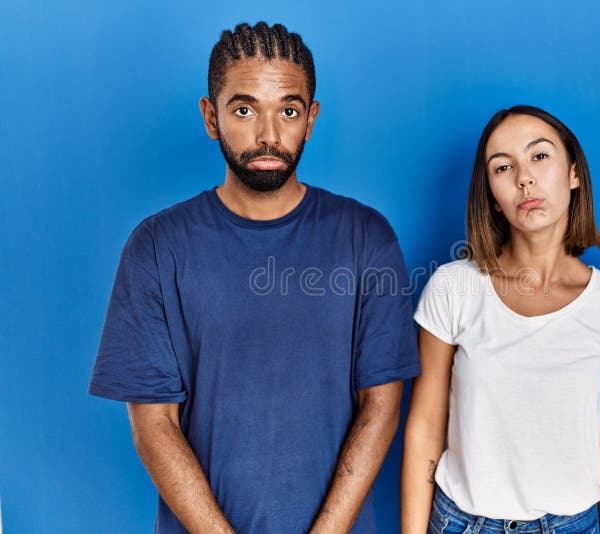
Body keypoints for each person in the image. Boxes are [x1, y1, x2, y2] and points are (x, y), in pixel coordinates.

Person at [88, 22, 420, 533]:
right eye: (245, 110)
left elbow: (381, 405)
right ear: (211, 117)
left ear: (310, 119)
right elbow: (153, 424)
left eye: (288, 111)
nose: (269, 134)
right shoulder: (155, 247)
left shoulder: (366, 238)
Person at [401, 106, 600, 534]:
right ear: (492, 195)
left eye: (539, 156)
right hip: (460, 524)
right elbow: (424, 430)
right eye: (503, 167)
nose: (524, 178)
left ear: (573, 173)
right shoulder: (452, 288)